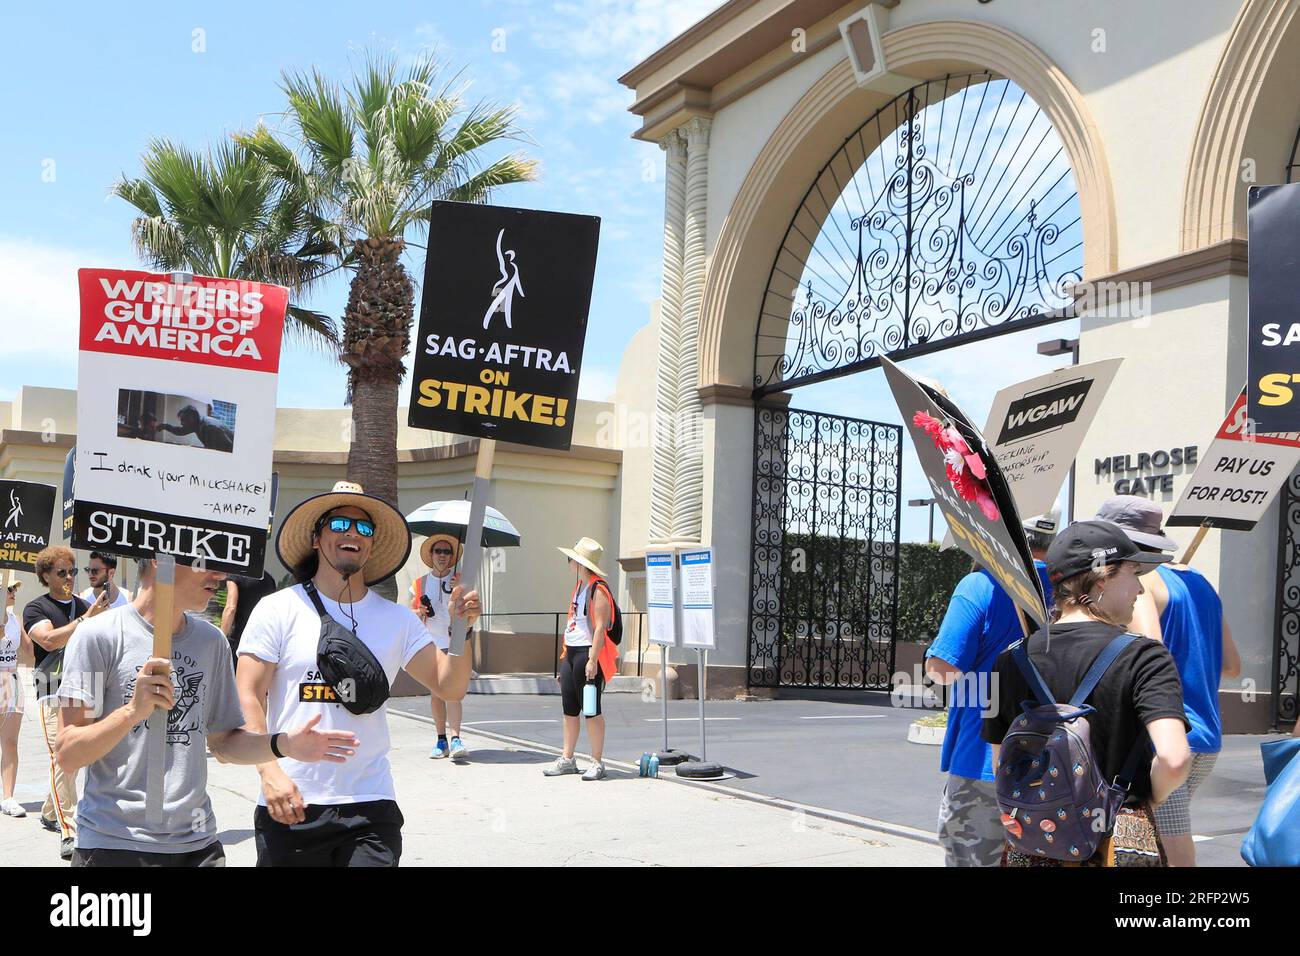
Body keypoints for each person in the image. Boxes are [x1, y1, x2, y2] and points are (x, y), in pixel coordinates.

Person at [236, 480, 481, 867]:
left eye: (364, 528)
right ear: (317, 538)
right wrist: (269, 772)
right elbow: (247, 695)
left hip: (371, 805)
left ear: (371, 545)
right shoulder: (277, 609)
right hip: (292, 801)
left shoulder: (396, 619)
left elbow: (450, 686)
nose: (353, 533)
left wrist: (462, 628)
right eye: (339, 524)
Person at [56, 558, 358, 867]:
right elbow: (67, 753)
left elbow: (224, 742)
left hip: (198, 847)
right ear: (162, 561)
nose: (221, 574)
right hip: (114, 846)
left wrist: (283, 744)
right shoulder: (95, 636)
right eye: (205, 562)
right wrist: (132, 712)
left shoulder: (212, 642)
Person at [984, 520, 1192, 866]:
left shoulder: (1006, 660)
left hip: (1037, 842)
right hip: (1116, 840)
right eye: (1133, 573)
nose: (1140, 589)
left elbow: (1001, 763)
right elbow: (1174, 758)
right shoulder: (1146, 656)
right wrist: (1145, 800)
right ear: (1101, 580)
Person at [1098, 495, 1242, 867]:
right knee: (1153, 840)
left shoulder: (1140, 582)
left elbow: (1150, 653)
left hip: (1167, 738)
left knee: (1174, 847)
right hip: (1206, 737)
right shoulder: (1200, 582)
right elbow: (1232, 665)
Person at [924, 509, 1057, 866]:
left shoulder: (979, 586)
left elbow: (943, 668)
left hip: (982, 758)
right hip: (1054, 760)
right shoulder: (1067, 589)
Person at [24, 545, 111, 860]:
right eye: (61, 572)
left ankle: (50, 810)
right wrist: (87, 619)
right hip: (51, 687)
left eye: (73, 571)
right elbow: (48, 640)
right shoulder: (36, 608)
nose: (69, 577)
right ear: (46, 575)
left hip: (84, 687)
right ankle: (70, 829)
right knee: (62, 757)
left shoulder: (86, 604)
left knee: (76, 758)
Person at [543, 537, 618, 782]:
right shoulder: (579, 587)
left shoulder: (599, 588)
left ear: (580, 563)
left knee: (592, 710)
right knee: (569, 709)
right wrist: (564, 659)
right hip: (573, 653)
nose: (569, 563)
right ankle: (568, 759)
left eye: (571, 559)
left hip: (588, 653)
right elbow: (572, 623)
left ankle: (597, 762)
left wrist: (593, 660)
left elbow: (599, 628)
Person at [410, 534, 468, 761]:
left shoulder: (461, 581)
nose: (442, 555)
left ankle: (456, 739)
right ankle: (441, 739)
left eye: (447, 552)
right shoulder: (420, 583)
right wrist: (419, 612)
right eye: (438, 551)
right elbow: (411, 613)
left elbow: (471, 609)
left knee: (453, 694)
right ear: (431, 556)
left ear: (452, 557)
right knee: (436, 693)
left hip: (454, 643)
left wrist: (460, 590)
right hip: (431, 645)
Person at [1, 582, 30, 817]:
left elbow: (30, 651)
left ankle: (8, 797)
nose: (13, 594)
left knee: (10, 742)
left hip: (10, 680)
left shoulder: (14, 619)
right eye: (9, 590)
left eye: (13, 590)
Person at [220, 570, 278, 666]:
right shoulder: (269, 579)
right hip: (262, 641)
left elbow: (230, 608)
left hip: (238, 639)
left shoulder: (235, 575)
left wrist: (221, 638)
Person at [155, 404, 234, 452]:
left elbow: (226, 451)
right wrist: (164, 426)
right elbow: (180, 431)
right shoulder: (196, 424)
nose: (181, 423)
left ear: (192, 417)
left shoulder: (210, 428)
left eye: (183, 420)